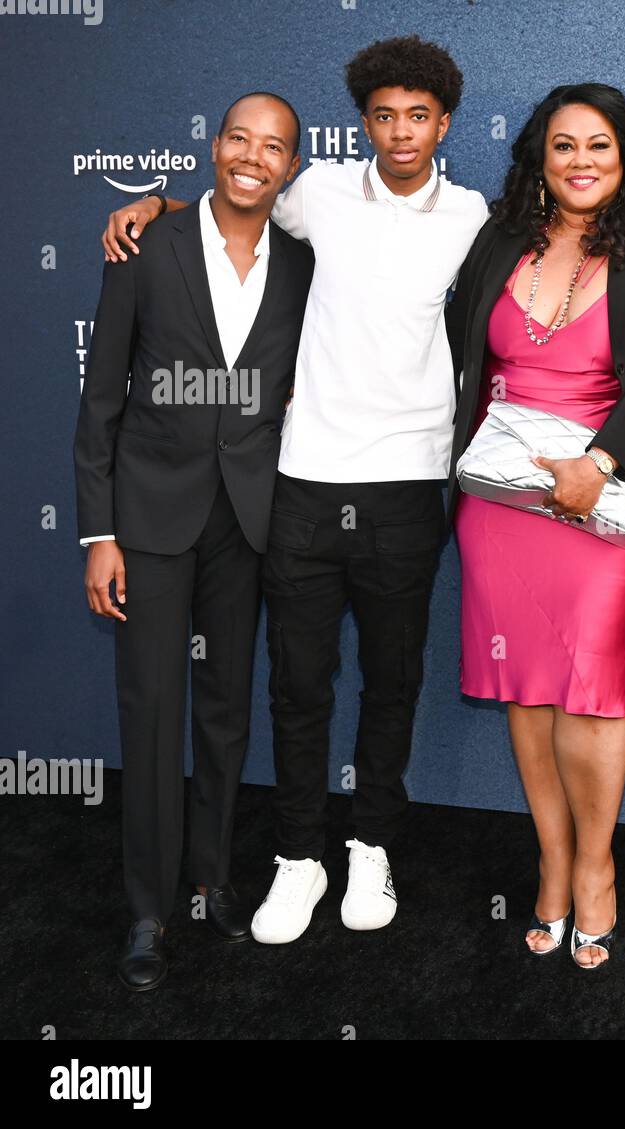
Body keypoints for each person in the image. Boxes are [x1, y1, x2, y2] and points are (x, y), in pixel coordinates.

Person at [102, 36, 489, 944]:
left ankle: (372, 848)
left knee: (392, 684)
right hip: (305, 483)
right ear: (361, 124)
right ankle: (297, 858)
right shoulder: (314, 196)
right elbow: (226, 210)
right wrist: (151, 208)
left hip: (407, 485)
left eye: (419, 117)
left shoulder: (472, 215)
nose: (401, 133)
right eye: (384, 116)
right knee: (297, 686)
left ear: (445, 124)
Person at [445, 83, 625, 968]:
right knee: (525, 684)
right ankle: (552, 866)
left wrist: (598, 465)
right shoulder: (498, 235)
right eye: (563, 146)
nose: (581, 161)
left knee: (590, 684)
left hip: (616, 492)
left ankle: (596, 869)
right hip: (503, 501)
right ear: (540, 159)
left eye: (598, 144)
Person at [76, 92, 314, 989]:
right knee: (151, 710)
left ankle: (213, 880)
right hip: (148, 521)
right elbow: (101, 400)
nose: (254, 158)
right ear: (213, 147)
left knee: (224, 710)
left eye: (274, 147)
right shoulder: (146, 247)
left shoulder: (303, 260)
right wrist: (99, 533)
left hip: (248, 518)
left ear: (290, 165)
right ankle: (148, 906)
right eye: (239, 140)